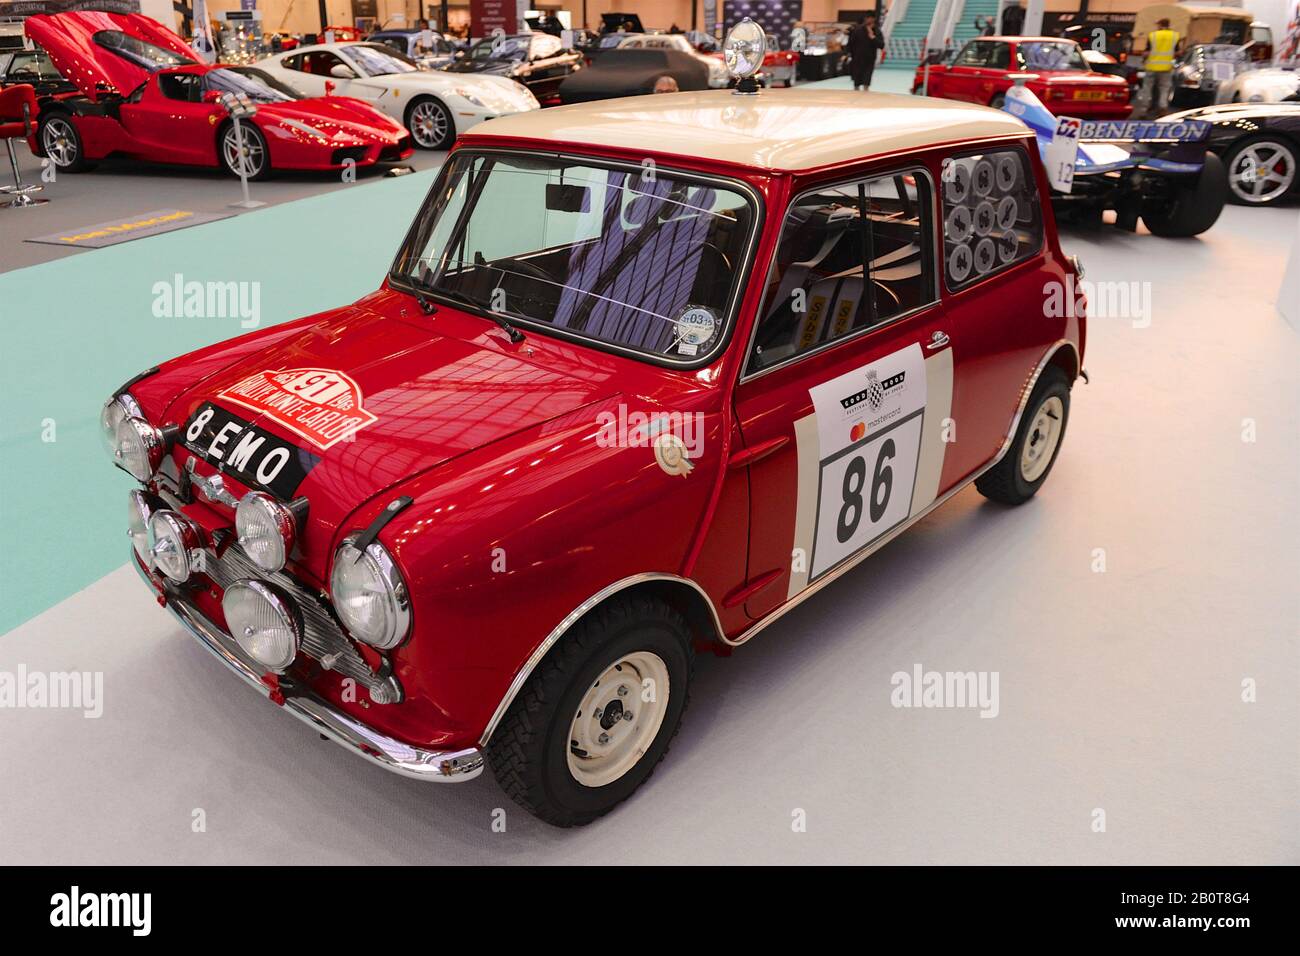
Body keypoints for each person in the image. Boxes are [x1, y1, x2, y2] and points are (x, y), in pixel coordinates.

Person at [1139, 17, 1183, 116]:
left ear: (1159, 25)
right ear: (1168, 25)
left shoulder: (1153, 35)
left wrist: (1143, 59)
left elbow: (1147, 52)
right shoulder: (1175, 36)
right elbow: (1178, 52)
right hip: (1166, 68)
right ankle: (1162, 108)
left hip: (1151, 67)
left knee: (1147, 88)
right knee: (1164, 89)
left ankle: (1144, 110)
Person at [847, 12, 885, 90]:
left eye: (870, 17)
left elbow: (881, 45)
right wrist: (848, 54)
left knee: (866, 81)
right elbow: (851, 43)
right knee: (856, 82)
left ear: (874, 19)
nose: (868, 19)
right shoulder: (857, 30)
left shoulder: (877, 31)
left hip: (870, 59)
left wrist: (873, 37)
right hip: (857, 59)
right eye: (867, 17)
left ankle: (866, 96)